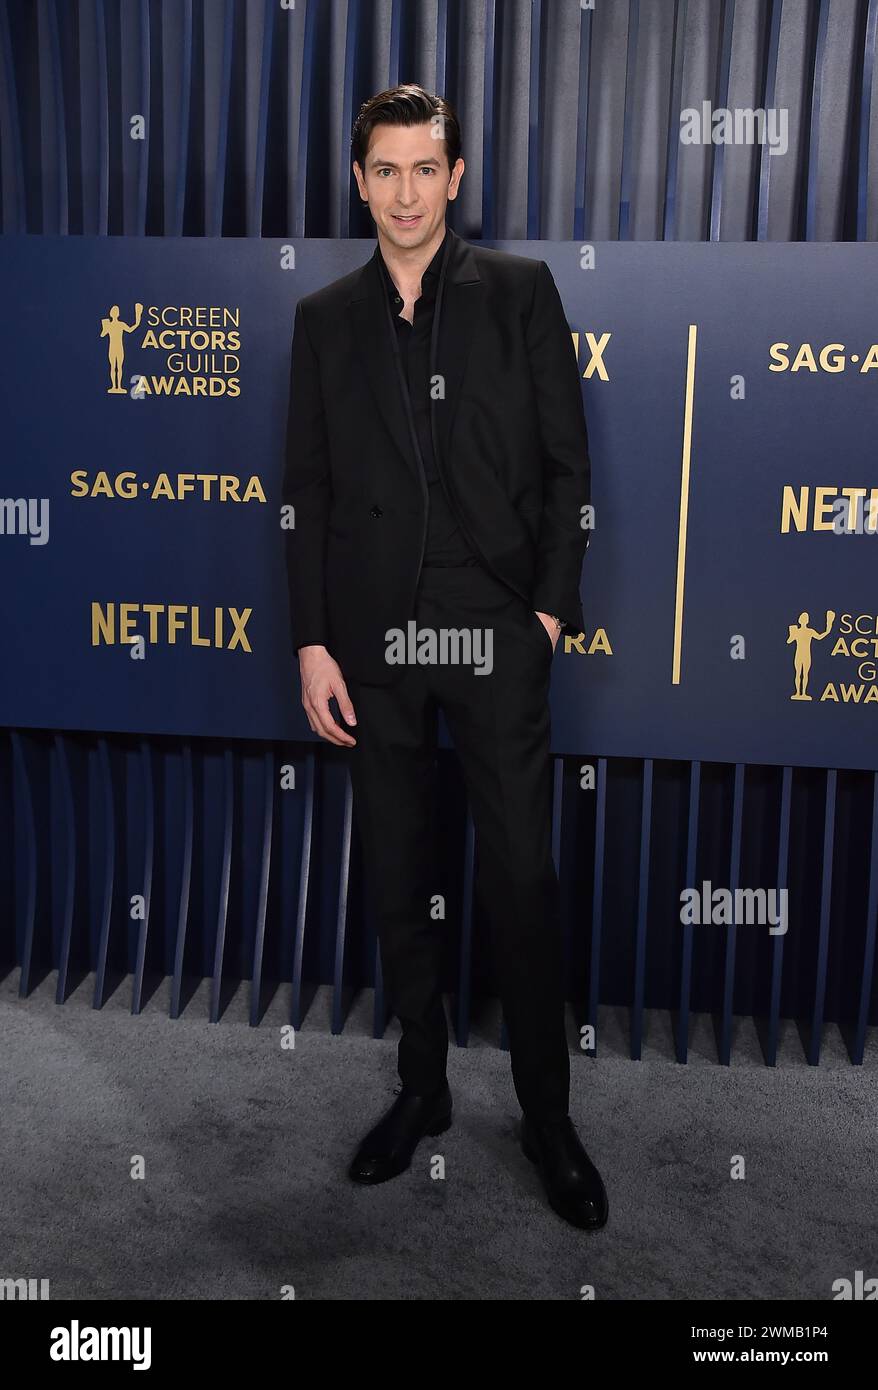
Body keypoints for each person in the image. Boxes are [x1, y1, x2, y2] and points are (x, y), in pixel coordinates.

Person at [282, 83, 607, 1230]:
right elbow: (307, 491)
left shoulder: (518, 296)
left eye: (426, 169)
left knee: (520, 877)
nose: (406, 192)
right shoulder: (325, 319)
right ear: (359, 180)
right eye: (386, 170)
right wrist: (314, 641)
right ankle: (420, 1089)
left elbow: (568, 471)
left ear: (454, 177)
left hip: (493, 629)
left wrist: (548, 619)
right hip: (372, 642)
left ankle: (545, 1113)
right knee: (395, 879)